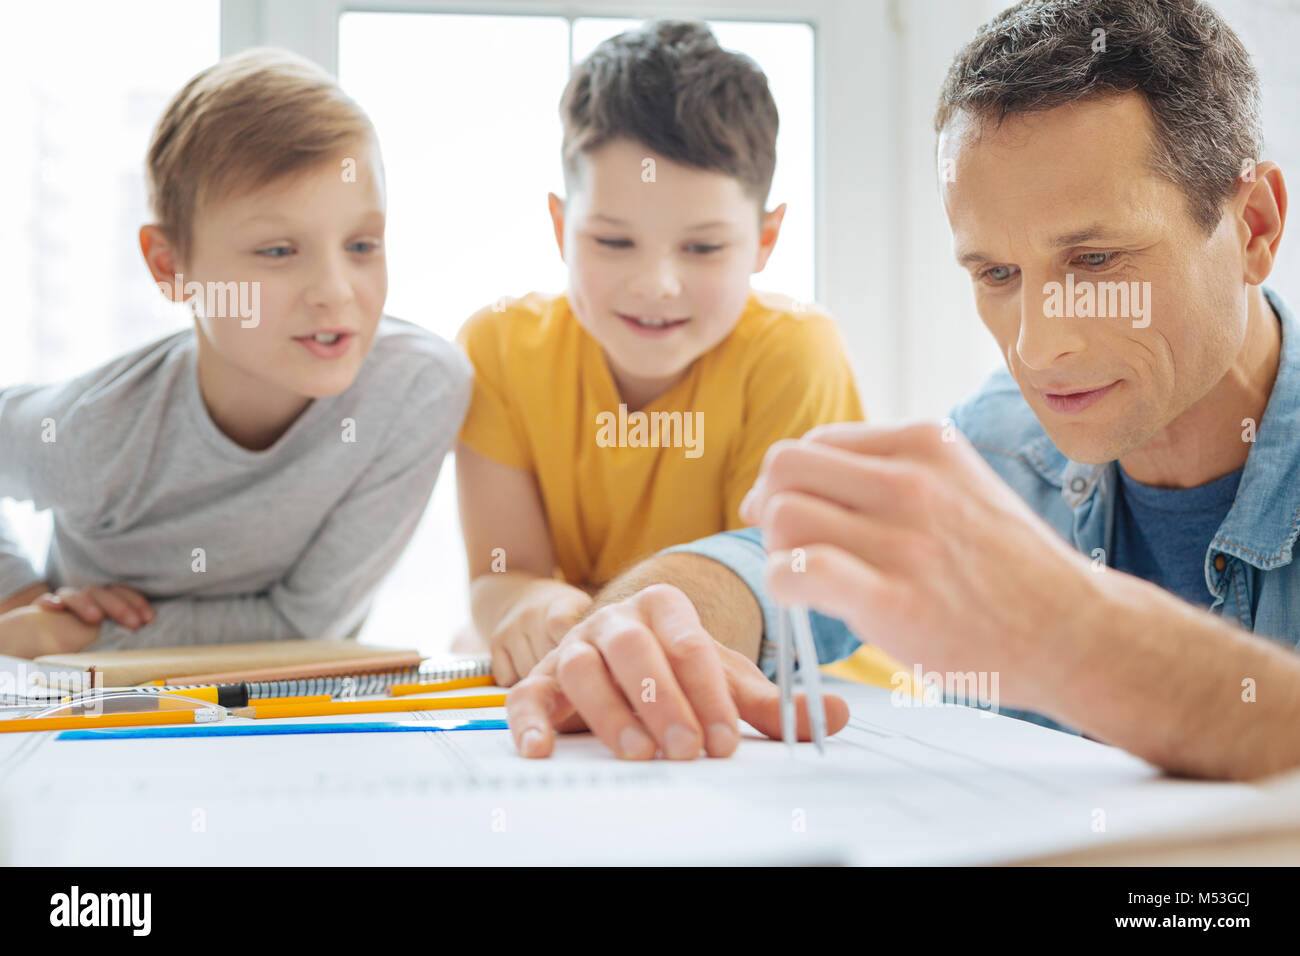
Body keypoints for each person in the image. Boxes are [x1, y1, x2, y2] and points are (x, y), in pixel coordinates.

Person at [505, 0, 1300, 781]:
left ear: (1254, 227)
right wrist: (656, 615)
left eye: (1094, 261)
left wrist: (1073, 631)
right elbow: (763, 565)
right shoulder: (998, 443)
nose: (1036, 344)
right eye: (996, 273)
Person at [454, 21, 880, 695]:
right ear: (562, 229)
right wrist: (521, 607)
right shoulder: (497, 348)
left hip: (814, 694)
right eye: (614, 242)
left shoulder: (795, 352)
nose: (656, 284)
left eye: (703, 248)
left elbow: (765, 584)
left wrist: (583, 618)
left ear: (765, 241)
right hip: (617, 685)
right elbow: (500, 577)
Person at [0, 48, 470, 656]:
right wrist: (18, 600)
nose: (335, 291)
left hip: (283, 711)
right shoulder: (96, 432)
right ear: (171, 267)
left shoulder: (416, 390)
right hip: (92, 714)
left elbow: (307, 626)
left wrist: (78, 635)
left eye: (361, 245)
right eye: (277, 251)